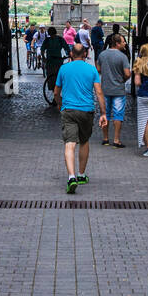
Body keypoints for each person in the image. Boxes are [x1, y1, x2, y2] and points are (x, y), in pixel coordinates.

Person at [54, 44, 107, 194]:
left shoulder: (63, 69)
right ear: (85, 53)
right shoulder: (91, 69)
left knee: (69, 144)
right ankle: (81, 175)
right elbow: (99, 92)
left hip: (69, 110)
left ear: (71, 54)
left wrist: (59, 104)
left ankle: (71, 177)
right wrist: (103, 113)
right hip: (86, 111)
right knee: (84, 141)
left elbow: (56, 91)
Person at [97, 28, 132, 148]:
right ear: (117, 44)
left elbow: (98, 70)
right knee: (118, 115)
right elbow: (127, 74)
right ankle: (116, 139)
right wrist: (123, 80)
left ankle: (105, 138)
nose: (125, 44)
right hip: (118, 89)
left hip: (105, 88)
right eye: (123, 42)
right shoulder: (123, 57)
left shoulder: (102, 55)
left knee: (105, 113)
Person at [41, 26, 69, 97]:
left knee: (51, 78)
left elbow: (42, 50)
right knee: (58, 78)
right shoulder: (60, 39)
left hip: (50, 61)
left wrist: (44, 58)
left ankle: (55, 93)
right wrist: (68, 55)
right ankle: (57, 93)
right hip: (58, 61)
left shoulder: (47, 40)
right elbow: (67, 48)